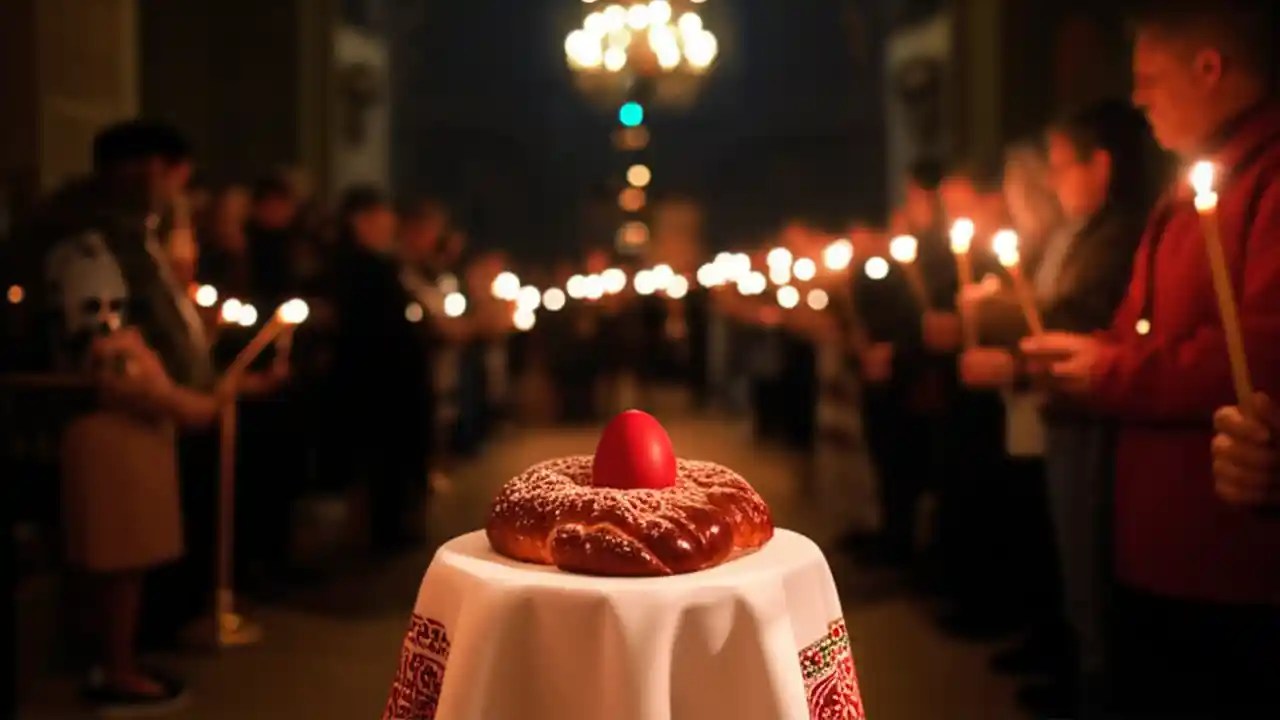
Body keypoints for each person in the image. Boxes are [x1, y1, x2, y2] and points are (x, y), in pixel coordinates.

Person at [1021, 2, 1280, 714]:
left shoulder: (1267, 179)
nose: (1136, 98)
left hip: (1222, 556)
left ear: (1210, 67)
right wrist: (1094, 352)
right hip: (1154, 549)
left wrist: (1109, 371)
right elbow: (1144, 327)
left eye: (1149, 77)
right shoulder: (1195, 185)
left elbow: (1253, 355)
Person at [964, 100, 1152, 717]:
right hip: (1062, 411)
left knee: (1089, 568)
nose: (1050, 182)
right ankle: (1077, 672)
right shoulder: (1086, 234)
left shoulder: (1118, 233)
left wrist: (995, 324)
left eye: (1059, 166)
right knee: (1069, 563)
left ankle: (1092, 688)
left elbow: (1071, 315)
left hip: (1091, 414)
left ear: (1099, 166)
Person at [34, 120, 223, 713]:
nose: (175, 193)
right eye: (170, 178)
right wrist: (182, 400)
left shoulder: (127, 238)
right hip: (112, 422)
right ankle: (112, 670)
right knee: (116, 556)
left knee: (131, 554)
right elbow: (107, 353)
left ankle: (121, 660)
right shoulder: (90, 244)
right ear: (144, 171)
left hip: (138, 421)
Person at [328, 186, 432, 553]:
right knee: (381, 462)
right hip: (378, 384)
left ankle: (392, 526)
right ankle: (382, 533)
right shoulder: (358, 269)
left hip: (392, 380)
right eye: (380, 217)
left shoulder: (382, 265)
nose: (388, 224)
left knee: (392, 462)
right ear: (360, 221)